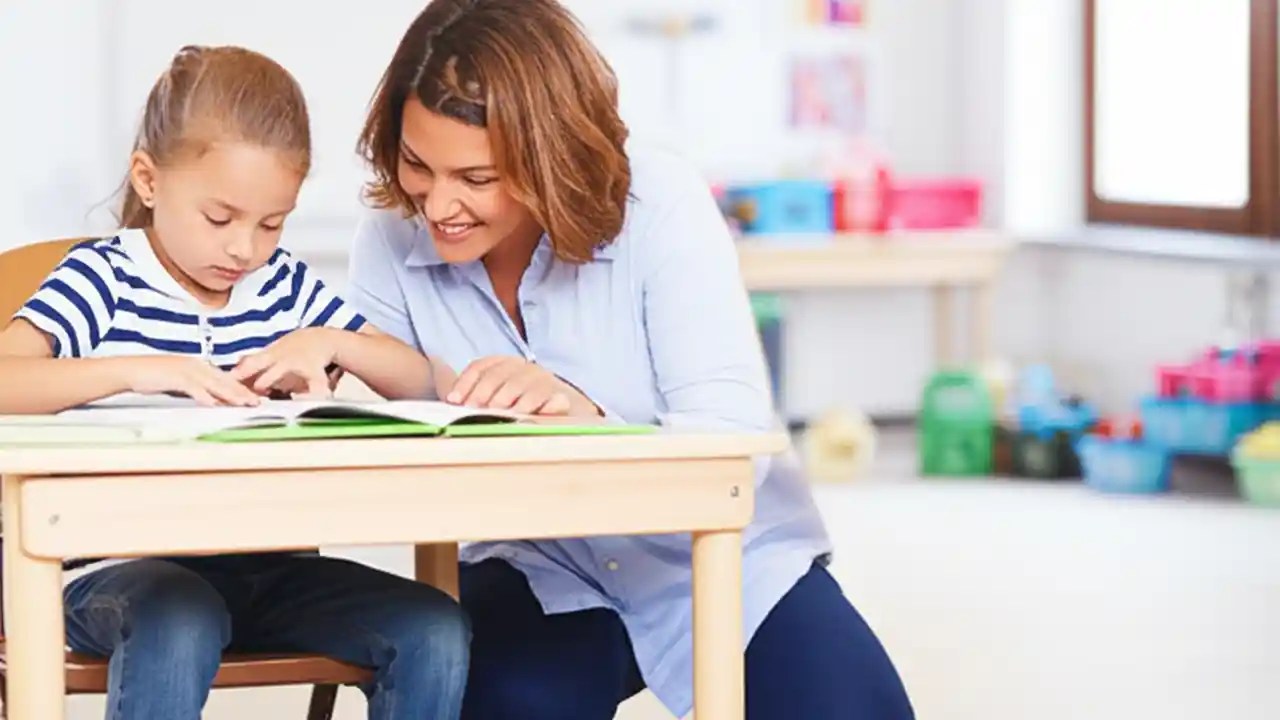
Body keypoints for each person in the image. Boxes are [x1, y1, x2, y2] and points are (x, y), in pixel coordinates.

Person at [348, 1, 915, 718]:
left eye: (477, 178)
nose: (438, 205)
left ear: (546, 155)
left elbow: (734, 443)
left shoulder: (659, 202)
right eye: (417, 165)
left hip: (720, 553)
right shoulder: (391, 236)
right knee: (502, 701)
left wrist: (586, 422)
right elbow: (407, 432)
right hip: (541, 559)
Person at [0, 45, 468, 720]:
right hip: (111, 571)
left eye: (272, 224)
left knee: (433, 630)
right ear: (149, 180)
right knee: (181, 615)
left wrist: (334, 343)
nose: (244, 249)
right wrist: (139, 370)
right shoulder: (104, 278)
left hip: (269, 570)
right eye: (219, 219)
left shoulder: (281, 287)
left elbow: (424, 383)